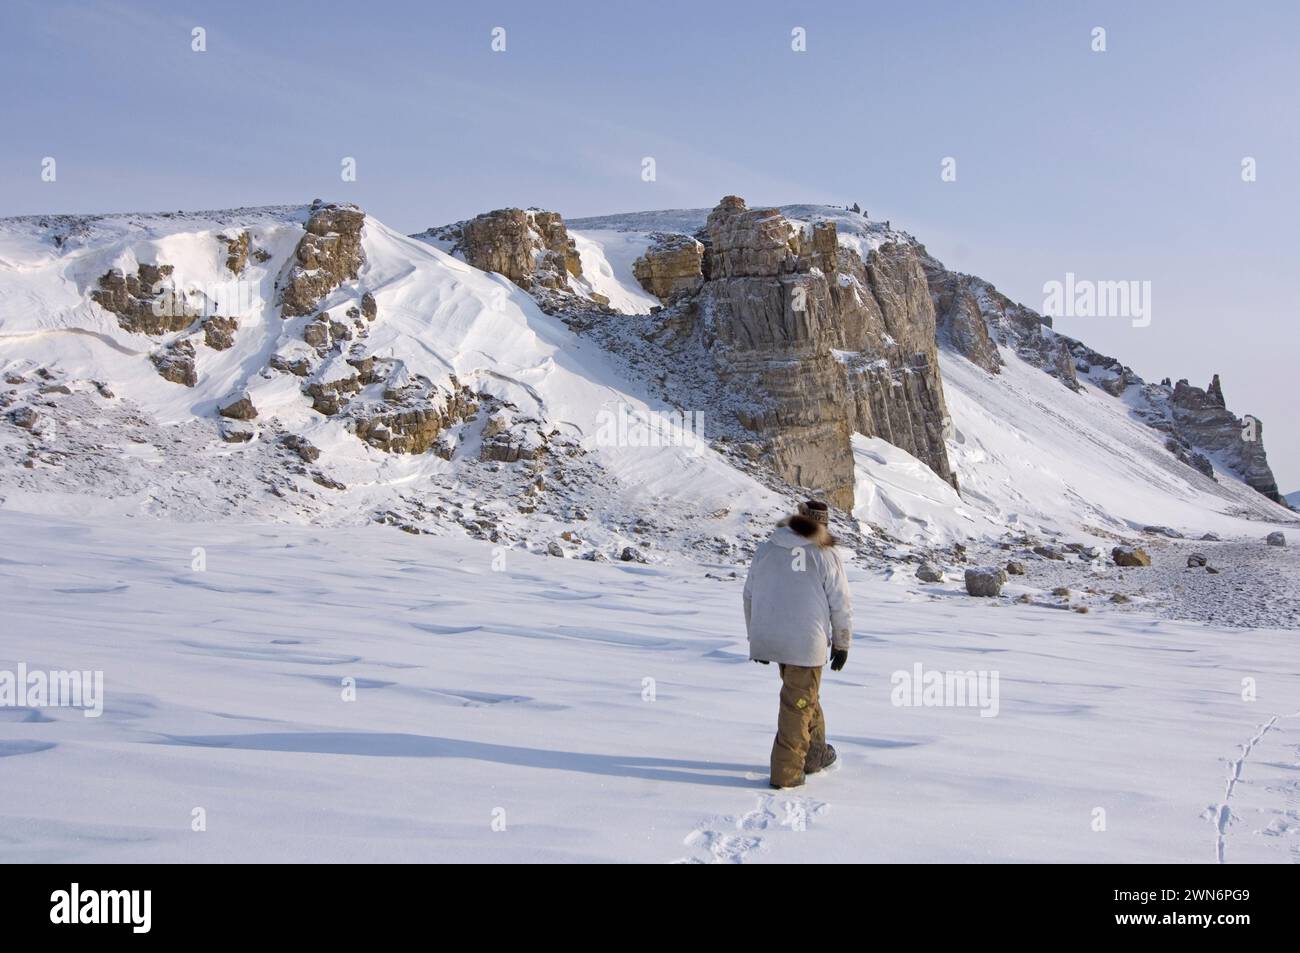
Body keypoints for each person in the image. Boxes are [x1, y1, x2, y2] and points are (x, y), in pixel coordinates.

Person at [742, 500, 852, 789]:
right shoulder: (824, 554)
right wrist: (842, 643)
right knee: (797, 704)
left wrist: (757, 637)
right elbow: (840, 604)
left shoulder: (767, 548)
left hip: (774, 637)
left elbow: (750, 594)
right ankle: (787, 773)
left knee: (803, 696)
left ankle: (815, 754)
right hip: (806, 642)